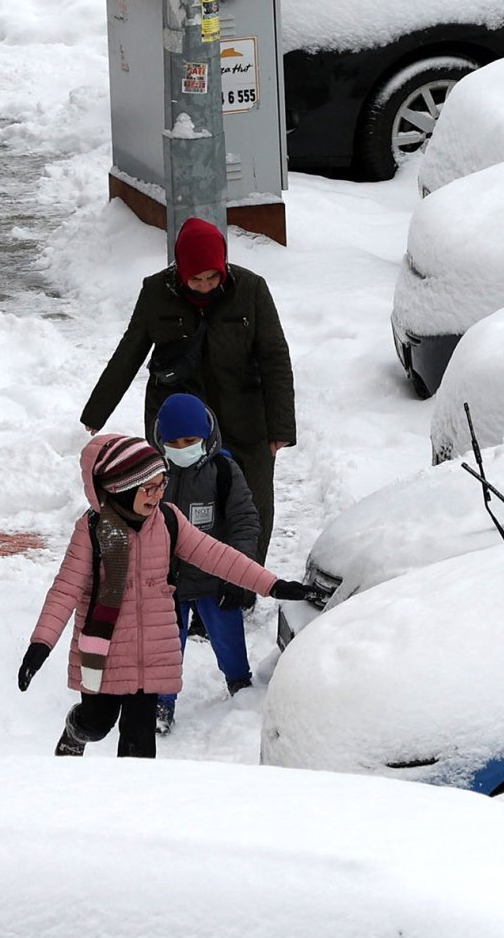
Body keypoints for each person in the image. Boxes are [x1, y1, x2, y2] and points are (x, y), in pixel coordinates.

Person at [16, 435, 319, 758]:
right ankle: (76, 732)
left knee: (139, 746)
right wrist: (41, 644)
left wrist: (271, 585)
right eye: (149, 488)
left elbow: (217, 556)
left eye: (162, 484)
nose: (158, 494)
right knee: (97, 722)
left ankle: (135, 805)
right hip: (103, 655)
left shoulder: (168, 520)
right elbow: (66, 589)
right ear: (121, 487)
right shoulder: (91, 531)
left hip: (152, 652)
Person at [79, 217, 294, 562]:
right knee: (178, 503)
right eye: (196, 279)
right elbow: (130, 351)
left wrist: (280, 428)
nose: (206, 286)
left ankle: (242, 582)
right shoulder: (155, 292)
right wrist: (97, 411)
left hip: (244, 416)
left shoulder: (251, 290)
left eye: (213, 277)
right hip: (179, 421)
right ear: (181, 272)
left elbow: (275, 358)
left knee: (248, 502)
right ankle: (181, 578)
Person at [153, 392, 261, 736]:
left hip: (216, 577)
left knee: (228, 639)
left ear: (206, 438)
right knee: (166, 646)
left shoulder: (224, 471)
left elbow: (244, 521)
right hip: (168, 580)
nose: (182, 447)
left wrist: (238, 573)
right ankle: (161, 701)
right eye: (174, 442)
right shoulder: (153, 474)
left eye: (190, 441)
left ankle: (239, 685)